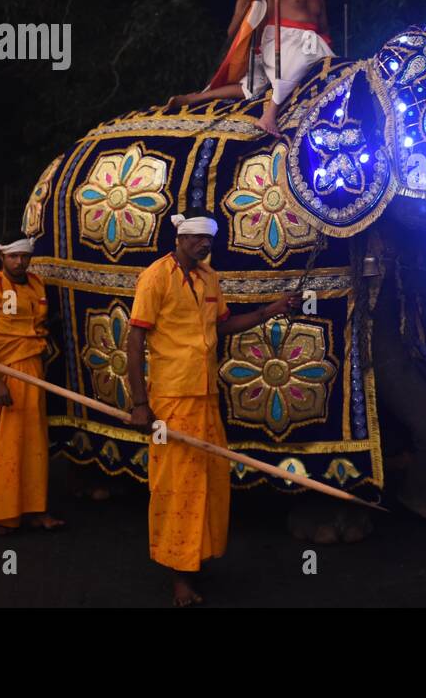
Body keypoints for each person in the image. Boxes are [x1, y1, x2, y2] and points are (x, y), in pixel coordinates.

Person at [125, 210, 298, 606]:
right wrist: (139, 404)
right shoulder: (155, 277)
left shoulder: (210, 278)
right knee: (176, 488)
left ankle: (194, 559)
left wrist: (266, 312)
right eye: (198, 240)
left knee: (209, 481)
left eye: (209, 241)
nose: (205, 246)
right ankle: (179, 578)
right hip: (170, 398)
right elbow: (135, 341)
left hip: (205, 396)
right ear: (181, 240)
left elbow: (220, 326)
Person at [168, 0, 333, 137]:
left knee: (252, 90)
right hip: (282, 41)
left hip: (312, 43)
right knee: (301, 58)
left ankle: (195, 97)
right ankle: (269, 116)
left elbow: (325, 30)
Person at [0, 233, 64, 535]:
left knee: (32, 443)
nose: (19, 262)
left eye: (24, 257)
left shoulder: (36, 284)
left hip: (31, 370)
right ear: (2, 257)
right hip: (2, 374)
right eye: (13, 257)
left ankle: (35, 510)